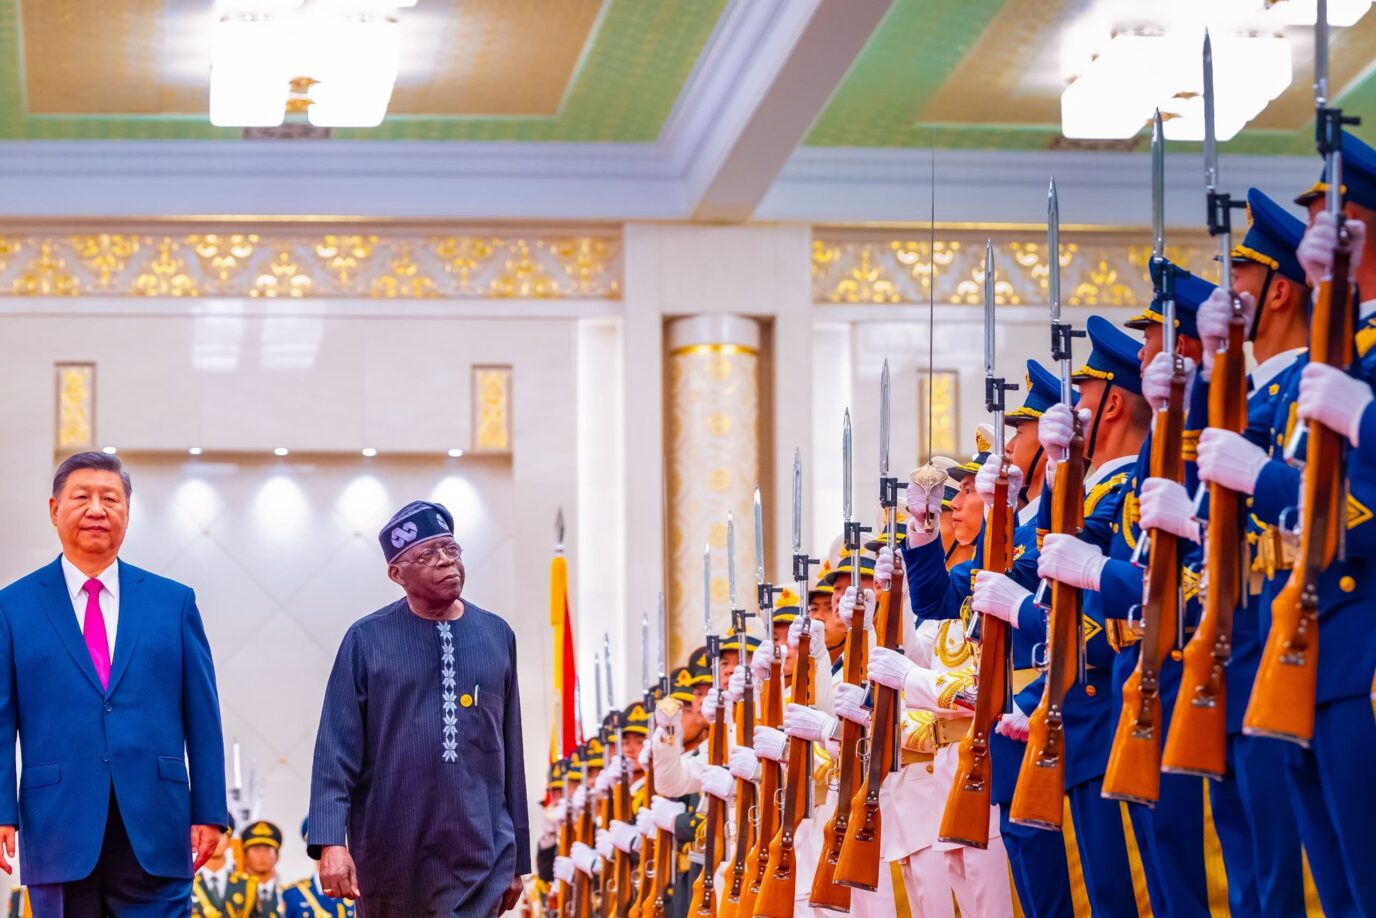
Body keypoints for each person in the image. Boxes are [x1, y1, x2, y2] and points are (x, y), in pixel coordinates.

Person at [0, 451, 227, 915]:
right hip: (58, 827)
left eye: (110, 499)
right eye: (81, 497)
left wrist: (209, 809)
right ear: (54, 510)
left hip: (157, 823)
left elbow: (203, 716)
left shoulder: (173, 603)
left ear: (127, 511)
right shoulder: (12, 607)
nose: (96, 510)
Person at [308, 500, 528, 916]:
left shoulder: (497, 635)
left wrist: (519, 860)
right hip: (390, 854)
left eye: (451, 549)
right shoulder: (366, 640)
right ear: (397, 574)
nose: (446, 561)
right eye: (427, 555)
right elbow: (335, 751)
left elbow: (511, 752)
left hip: (481, 853)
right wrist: (330, 841)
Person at [284, 821, 355, 918]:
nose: (329, 849)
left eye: (336, 842)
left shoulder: (362, 890)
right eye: (322, 844)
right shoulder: (293, 894)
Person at [239, 821, 284, 917]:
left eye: (268, 850)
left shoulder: (286, 894)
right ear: (245, 856)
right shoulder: (237, 893)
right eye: (256, 850)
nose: (262, 855)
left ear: (277, 856)